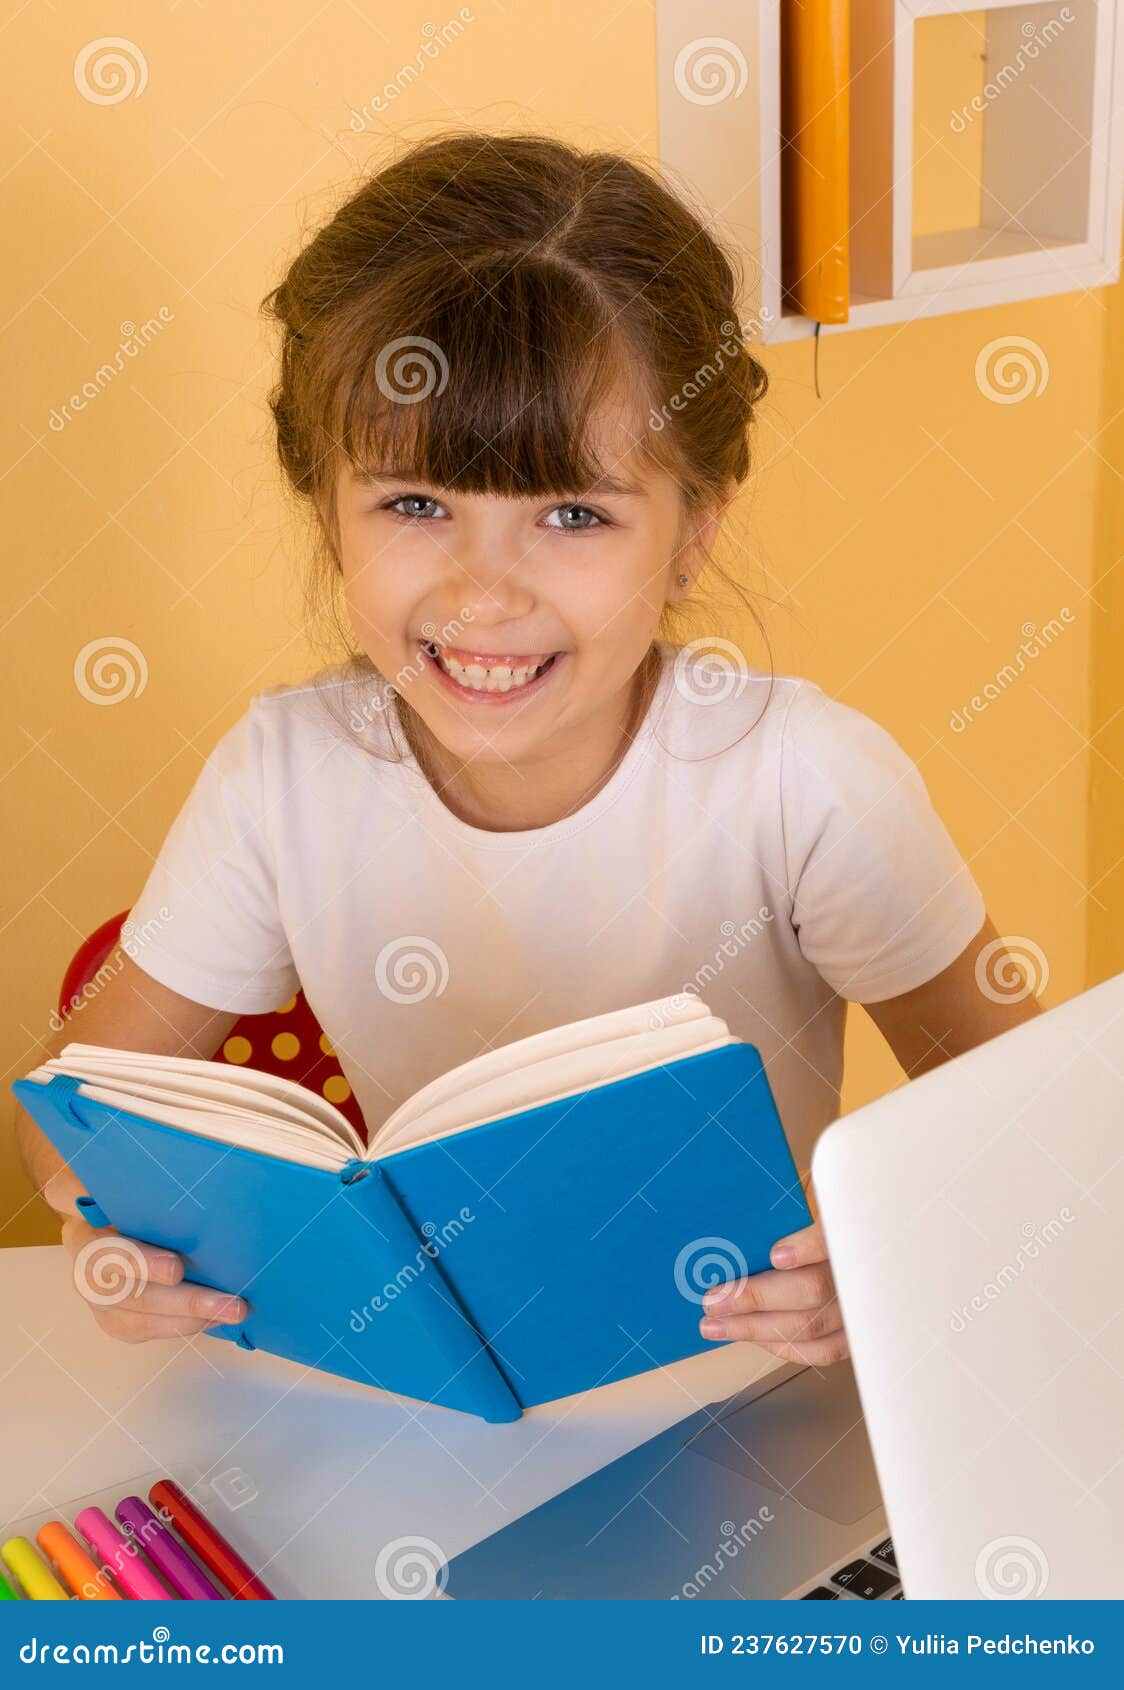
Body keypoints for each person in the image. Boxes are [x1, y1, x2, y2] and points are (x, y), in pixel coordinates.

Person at [17, 133, 1040, 1370]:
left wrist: (882, 1258)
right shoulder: (281, 775)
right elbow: (71, 1111)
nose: (483, 595)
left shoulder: (804, 782)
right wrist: (103, 1224)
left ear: (691, 534)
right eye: (414, 505)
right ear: (326, 512)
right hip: (422, 1405)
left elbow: (1029, 1132)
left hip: (749, 1399)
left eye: (570, 514)